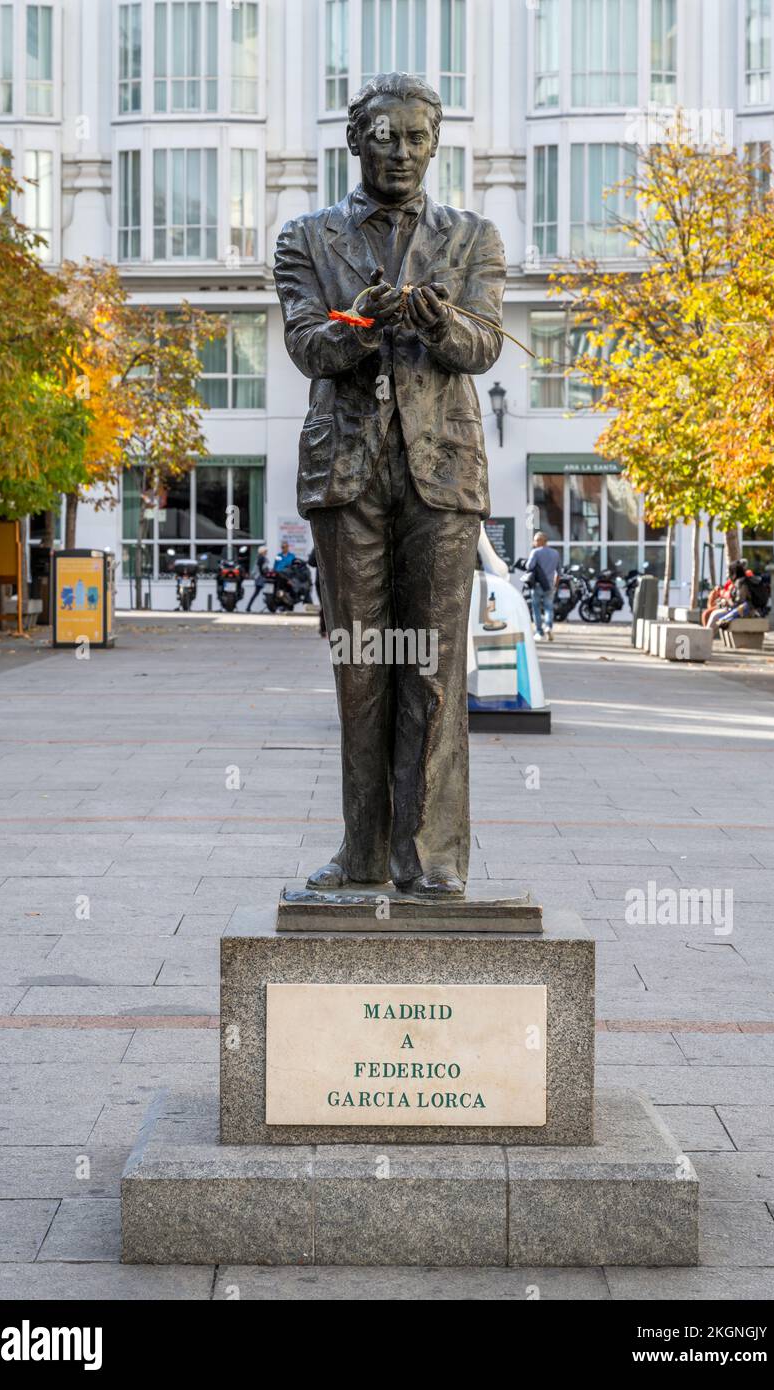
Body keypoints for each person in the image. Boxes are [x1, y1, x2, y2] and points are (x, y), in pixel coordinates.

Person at [274, 71, 506, 897]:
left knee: (436, 667)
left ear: (435, 144)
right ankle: (364, 850)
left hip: (441, 474)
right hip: (348, 473)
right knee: (361, 668)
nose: (401, 152)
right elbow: (309, 347)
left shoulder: (472, 236)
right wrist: (361, 322)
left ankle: (433, 858)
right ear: (354, 141)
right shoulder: (306, 237)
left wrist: (441, 321)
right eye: (385, 136)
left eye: (415, 137)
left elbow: (483, 345)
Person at [527, 531, 559, 642]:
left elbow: (529, 566)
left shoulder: (535, 552)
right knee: (549, 607)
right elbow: (558, 571)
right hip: (549, 584)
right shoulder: (555, 553)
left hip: (537, 584)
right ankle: (548, 627)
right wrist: (555, 585)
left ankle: (539, 632)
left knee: (536, 608)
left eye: (535, 540)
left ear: (541, 541)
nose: (534, 542)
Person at [245, 546, 269, 612]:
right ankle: (248, 607)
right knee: (262, 592)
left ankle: (248, 607)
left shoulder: (259, 557)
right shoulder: (262, 558)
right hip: (260, 577)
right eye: (266, 551)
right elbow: (261, 568)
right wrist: (264, 574)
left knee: (257, 593)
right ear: (262, 552)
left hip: (258, 577)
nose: (267, 552)